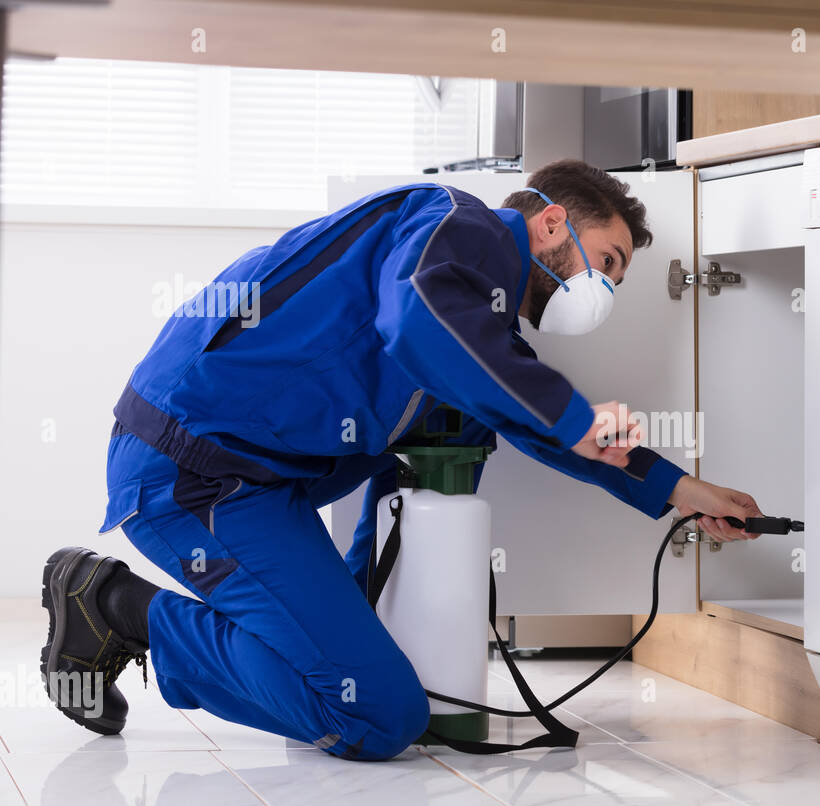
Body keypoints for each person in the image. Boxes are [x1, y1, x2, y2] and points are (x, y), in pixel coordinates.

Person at [38, 159, 763, 760]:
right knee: (377, 715)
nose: (602, 291)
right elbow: (419, 315)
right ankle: (114, 606)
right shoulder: (457, 223)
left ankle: (352, 626)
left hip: (261, 482)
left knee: (462, 422)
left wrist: (685, 492)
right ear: (548, 224)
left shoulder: (479, 325)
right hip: (186, 471)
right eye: (606, 263)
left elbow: (538, 427)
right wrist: (576, 416)